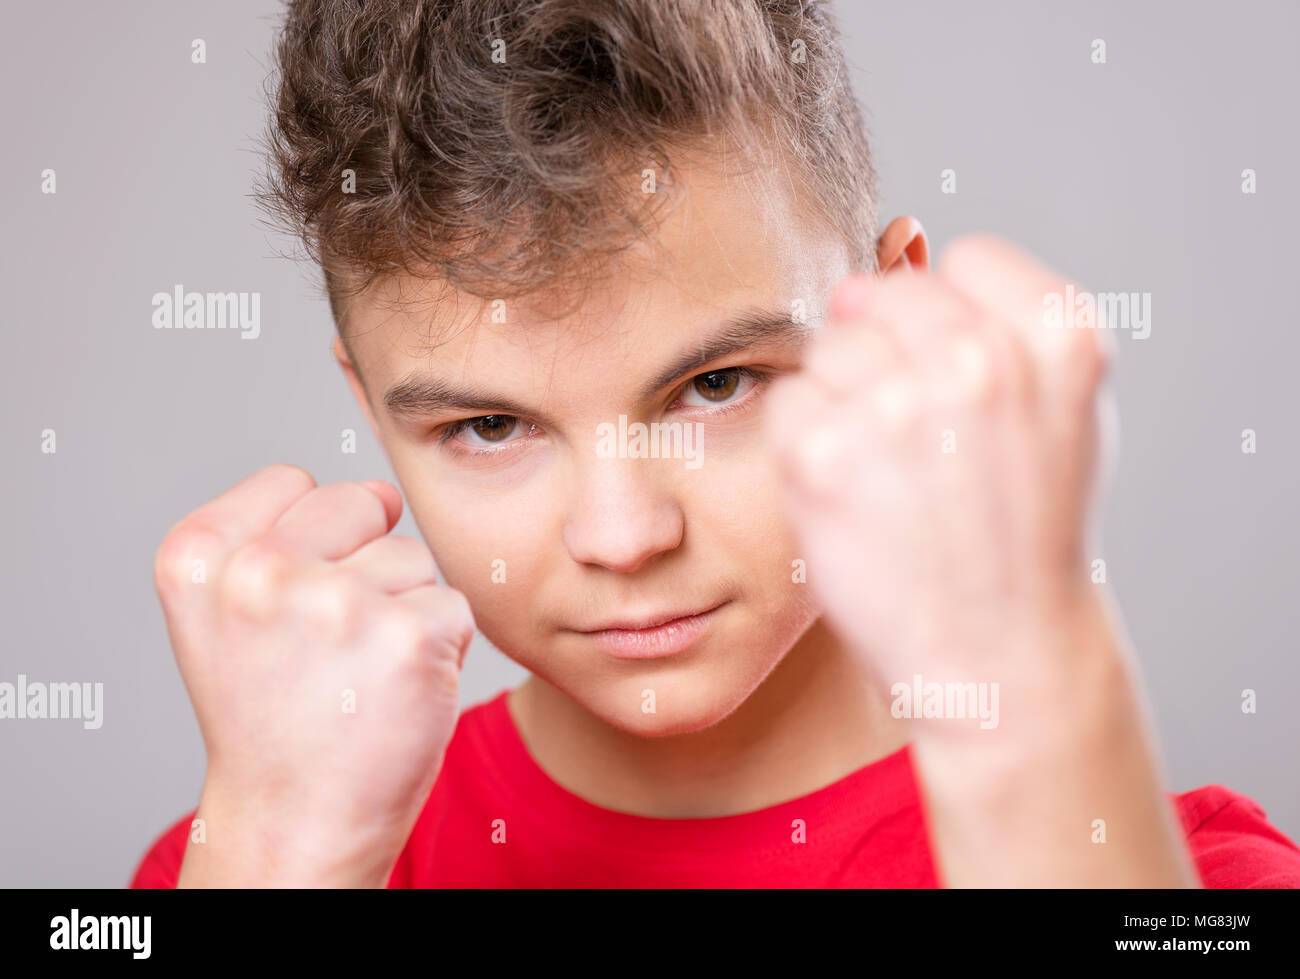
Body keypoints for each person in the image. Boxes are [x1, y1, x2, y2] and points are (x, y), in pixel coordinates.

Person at [130, 0, 1300, 888]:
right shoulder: (258, 846)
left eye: (715, 383)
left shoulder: (1176, 868)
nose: (624, 537)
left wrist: (1033, 687)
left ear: (891, 321)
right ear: (371, 406)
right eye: (489, 426)